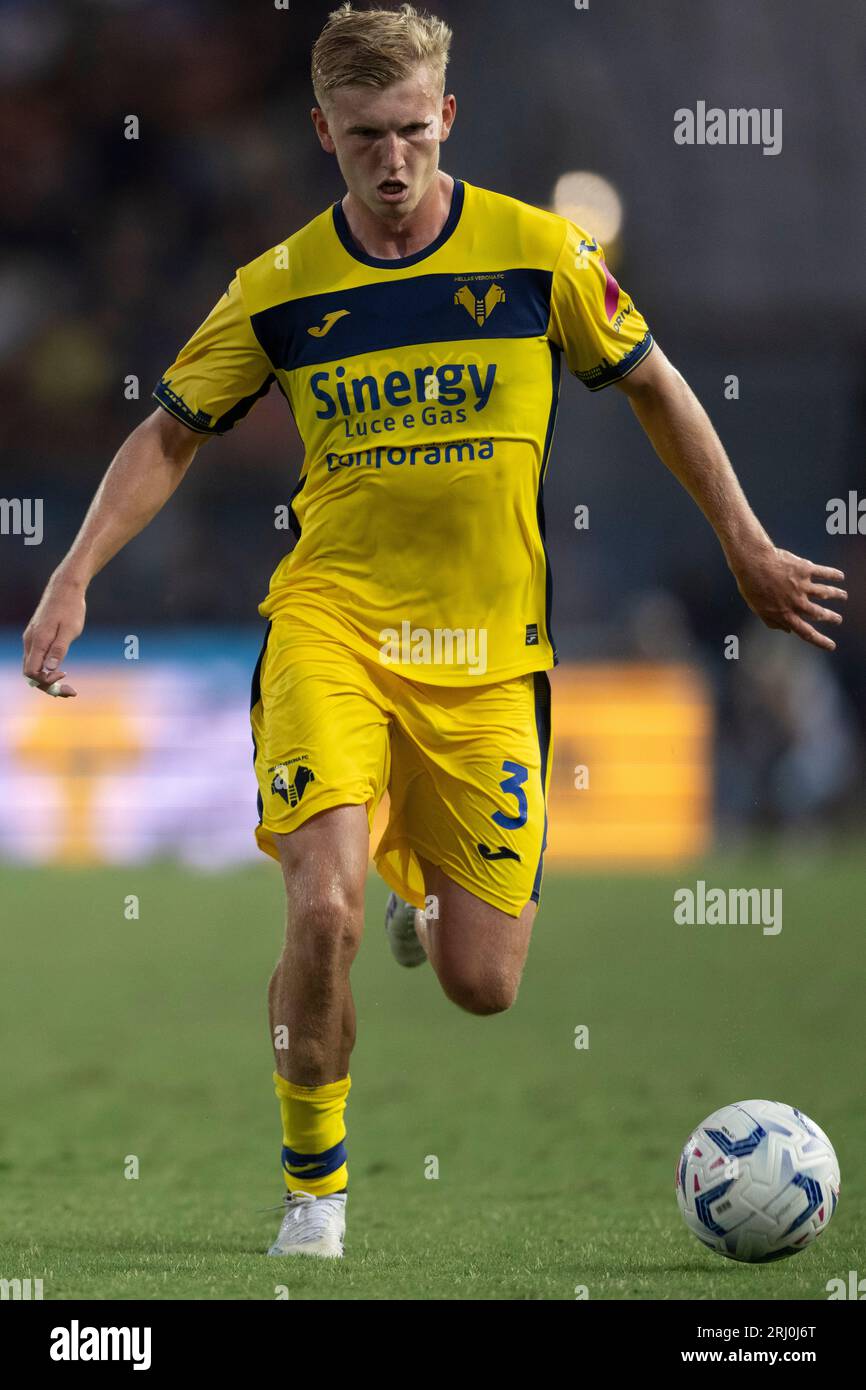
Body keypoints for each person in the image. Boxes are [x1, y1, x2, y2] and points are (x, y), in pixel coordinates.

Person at [22, 3, 846, 1259]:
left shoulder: (540, 255)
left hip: (486, 660)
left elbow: (655, 385)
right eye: (364, 138)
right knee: (322, 914)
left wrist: (742, 539)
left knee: (482, 983)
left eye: (412, 129)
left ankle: (417, 881)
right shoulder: (281, 286)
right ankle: (316, 1193)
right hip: (329, 630)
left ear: (446, 117)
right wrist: (75, 572)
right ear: (322, 133)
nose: (393, 160)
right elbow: (169, 430)